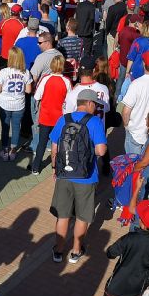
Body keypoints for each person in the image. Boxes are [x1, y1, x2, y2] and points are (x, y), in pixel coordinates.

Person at [50, 88, 107, 264]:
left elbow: (54, 147)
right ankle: (75, 251)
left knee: (63, 215)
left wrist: (55, 169)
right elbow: (101, 150)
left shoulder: (64, 119)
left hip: (63, 175)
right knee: (82, 216)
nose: (96, 108)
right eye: (95, 105)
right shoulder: (94, 122)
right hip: (86, 176)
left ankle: (58, 251)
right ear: (89, 103)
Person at [0, 47, 32, 161]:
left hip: (5, 105)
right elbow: (28, 91)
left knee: (5, 127)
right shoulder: (26, 72)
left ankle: (5, 150)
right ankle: (13, 151)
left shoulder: (4, 72)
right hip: (19, 105)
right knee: (16, 127)